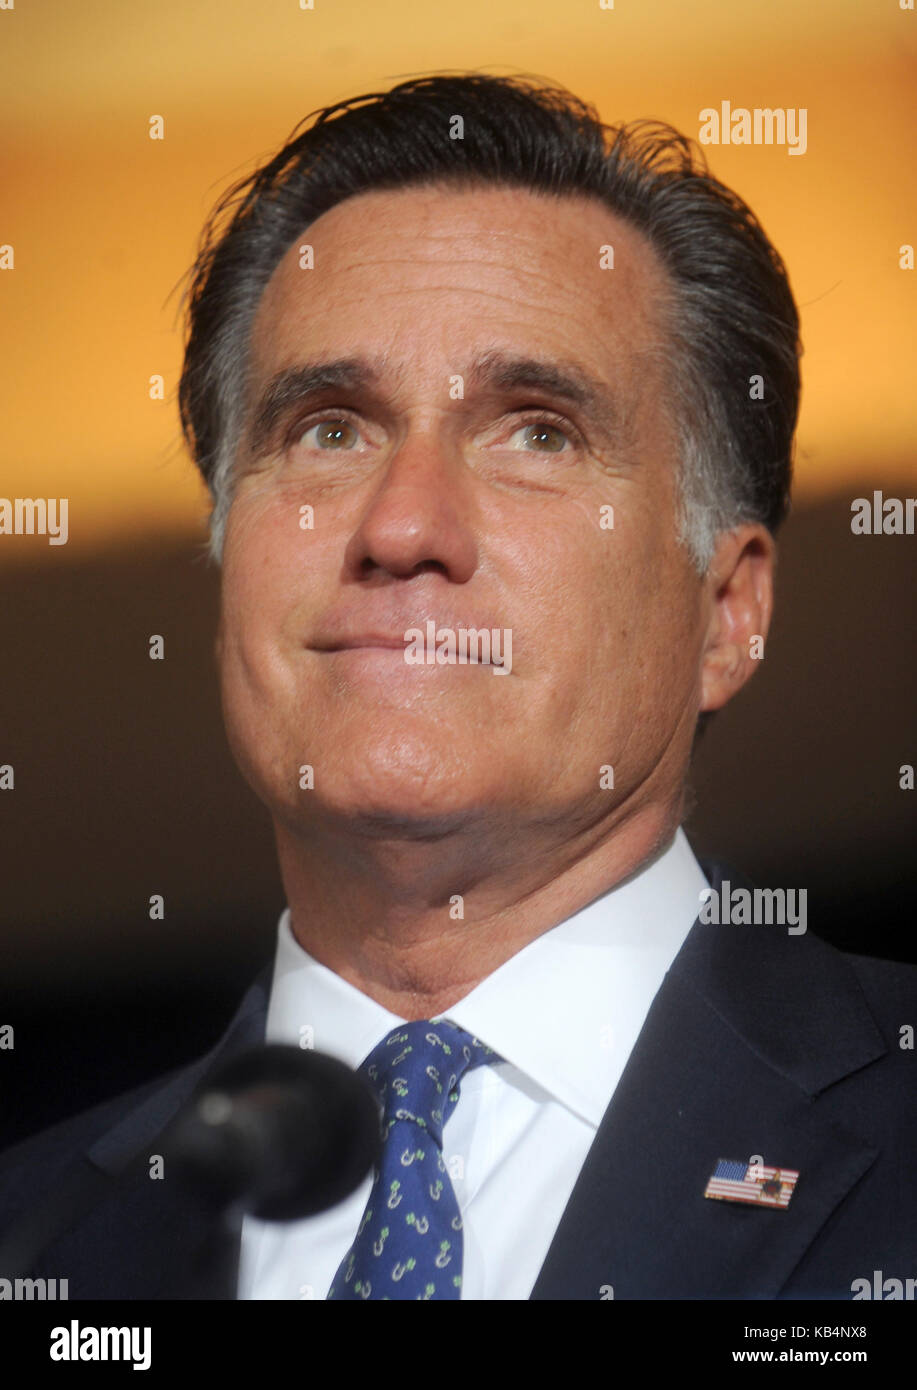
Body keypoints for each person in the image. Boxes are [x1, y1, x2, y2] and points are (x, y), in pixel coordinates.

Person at [1, 72, 914, 1302]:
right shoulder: (39, 1239)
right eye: (328, 428)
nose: (400, 527)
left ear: (724, 612)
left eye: (536, 431)